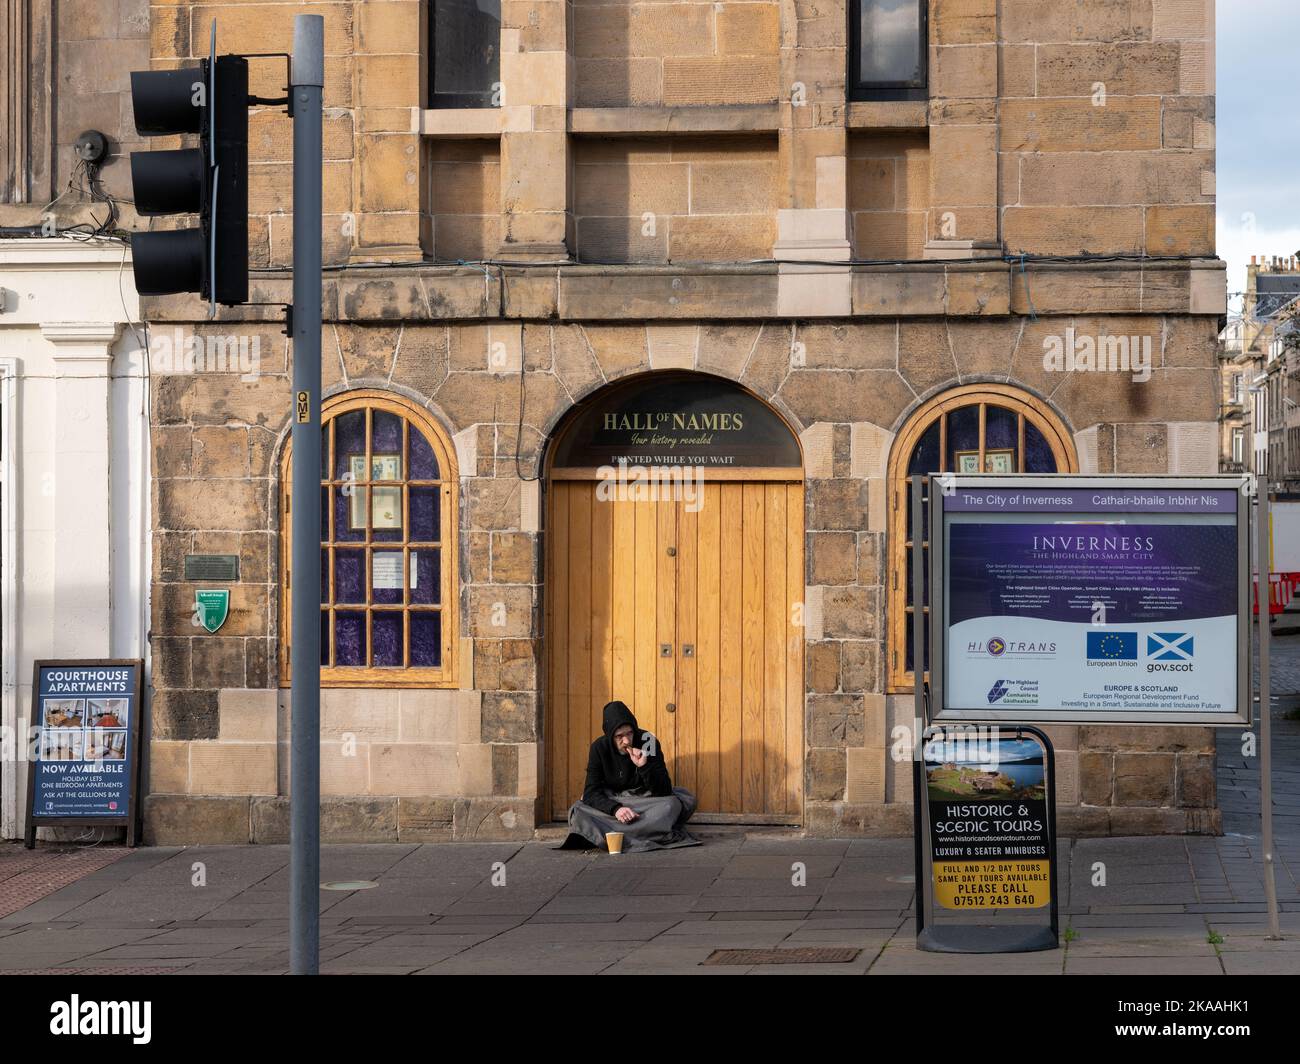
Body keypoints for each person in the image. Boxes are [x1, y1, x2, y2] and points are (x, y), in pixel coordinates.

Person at [558, 700, 700, 851]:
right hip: (614, 799)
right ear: (610, 736)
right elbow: (591, 792)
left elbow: (663, 790)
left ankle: (608, 834)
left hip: (645, 800)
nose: (626, 741)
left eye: (630, 733)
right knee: (578, 810)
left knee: (672, 804)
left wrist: (644, 766)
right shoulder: (599, 747)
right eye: (619, 736)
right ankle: (646, 832)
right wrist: (616, 809)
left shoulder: (647, 741)